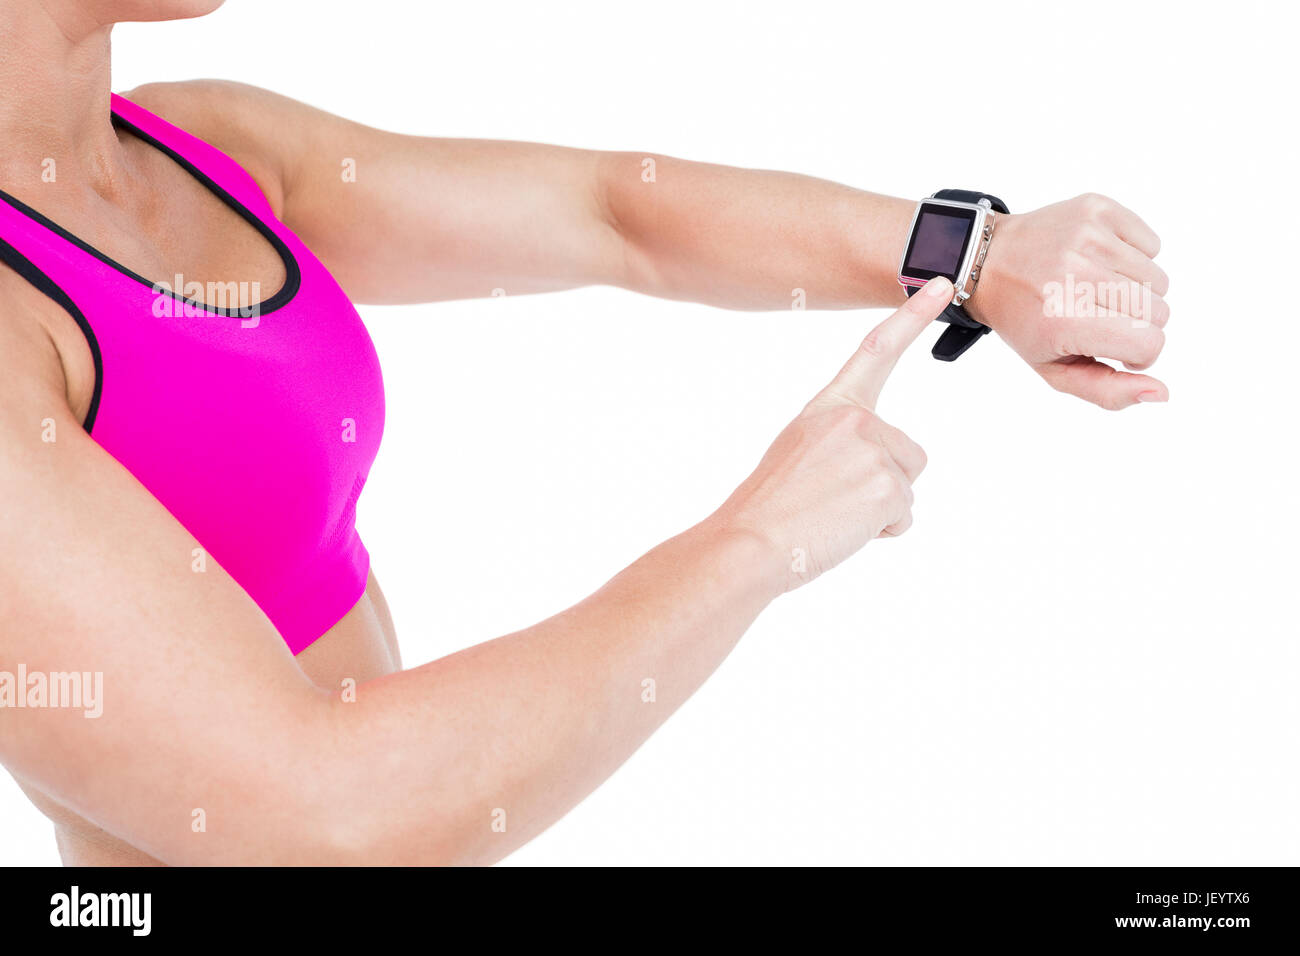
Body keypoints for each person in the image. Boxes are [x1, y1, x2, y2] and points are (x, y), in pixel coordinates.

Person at [0, 0, 1168, 865]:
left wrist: (977, 256)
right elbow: (324, 812)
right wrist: (754, 538)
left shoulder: (201, 145)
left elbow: (609, 212)